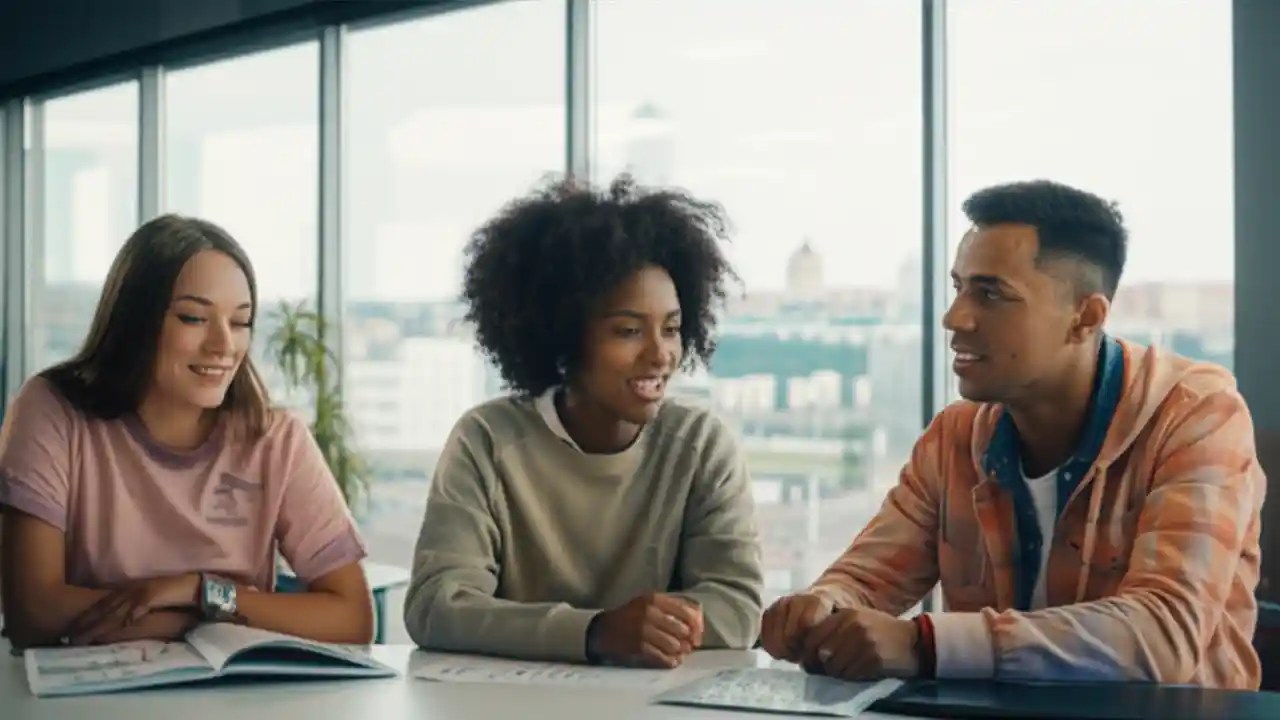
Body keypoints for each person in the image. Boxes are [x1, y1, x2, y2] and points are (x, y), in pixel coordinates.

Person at [761, 180, 1265, 689]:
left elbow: (1164, 636)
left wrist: (923, 644)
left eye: (991, 293)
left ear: (1084, 318)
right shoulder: (956, 436)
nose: (954, 317)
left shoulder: (1197, 416)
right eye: (959, 287)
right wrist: (823, 607)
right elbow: (867, 581)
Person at [403, 176, 763, 668]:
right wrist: (595, 632)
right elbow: (437, 606)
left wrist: (647, 630)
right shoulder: (487, 440)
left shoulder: (700, 446)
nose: (660, 354)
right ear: (565, 337)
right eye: (628, 330)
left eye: (673, 328)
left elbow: (738, 609)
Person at [0, 215, 374, 649]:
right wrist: (201, 622)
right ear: (136, 319)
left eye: (239, 322)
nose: (222, 346)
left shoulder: (277, 440)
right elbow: (34, 610)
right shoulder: (52, 411)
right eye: (194, 318)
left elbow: (352, 618)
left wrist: (201, 592)